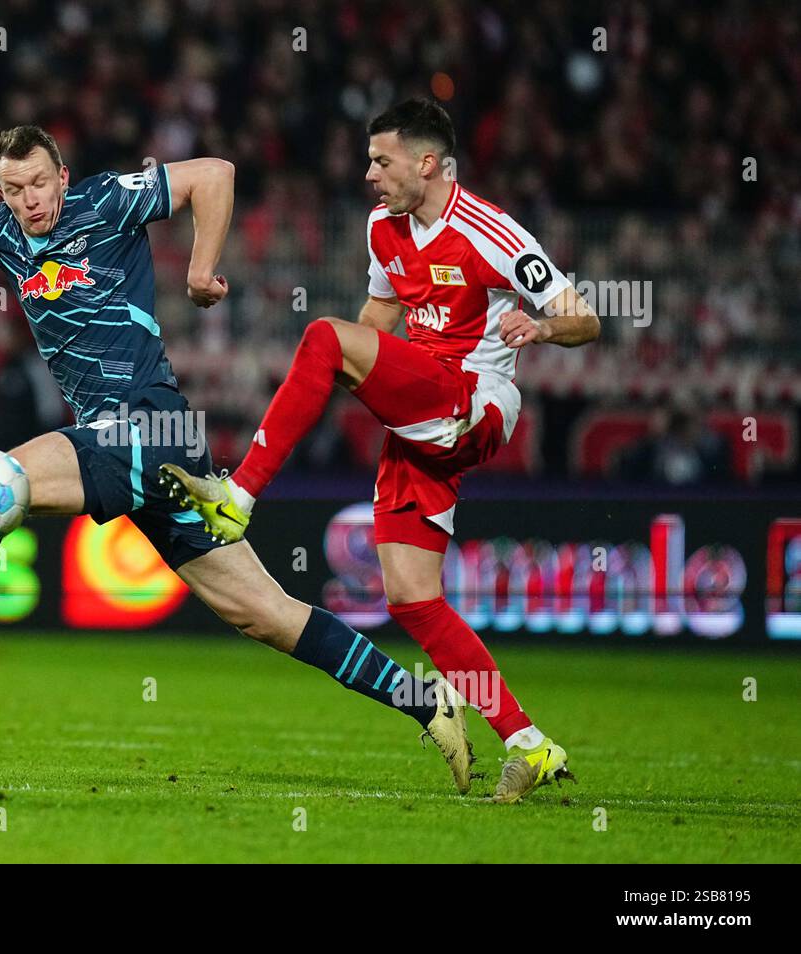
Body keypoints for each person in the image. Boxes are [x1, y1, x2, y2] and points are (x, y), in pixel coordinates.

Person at [0, 124, 475, 793]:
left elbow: (214, 172)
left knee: (3, 479)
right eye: (15, 190)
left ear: (64, 176)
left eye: (41, 183)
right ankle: (426, 701)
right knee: (267, 614)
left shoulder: (106, 201)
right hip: (135, 442)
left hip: (146, 423)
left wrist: (199, 266)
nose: (31, 200)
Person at [161, 100, 601, 804]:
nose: (369, 174)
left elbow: (585, 317)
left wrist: (541, 331)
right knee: (413, 599)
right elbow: (379, 320)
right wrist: (336, 381)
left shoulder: (490, 233)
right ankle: (529, 742)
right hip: (419, 423)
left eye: (382, 161)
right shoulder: (382, 229)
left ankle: (238, 495)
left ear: (426, 163)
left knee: (323, 339)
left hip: (475, 404)